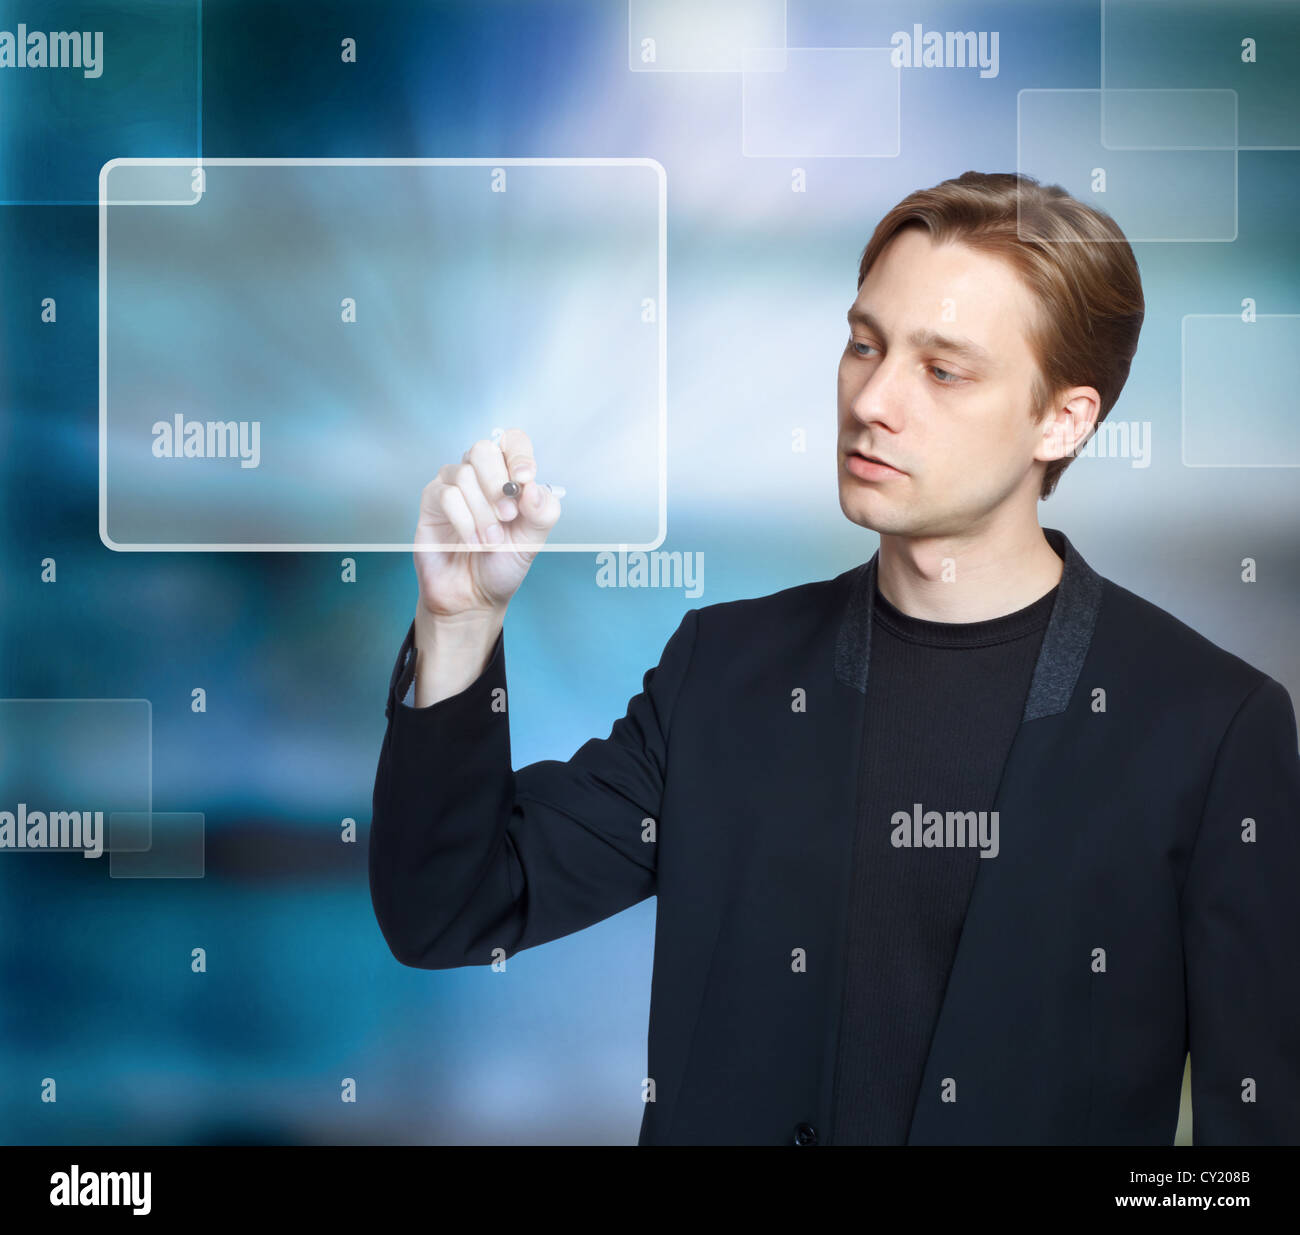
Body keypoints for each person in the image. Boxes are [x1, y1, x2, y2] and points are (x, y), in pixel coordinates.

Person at [369, 171, 1300, 1145]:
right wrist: (460, 620)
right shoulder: (723, 669)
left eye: (943, 370)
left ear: (1061, 420)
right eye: (864, 343)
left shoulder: (1207, 727)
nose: (874, 399)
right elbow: (450, 910)